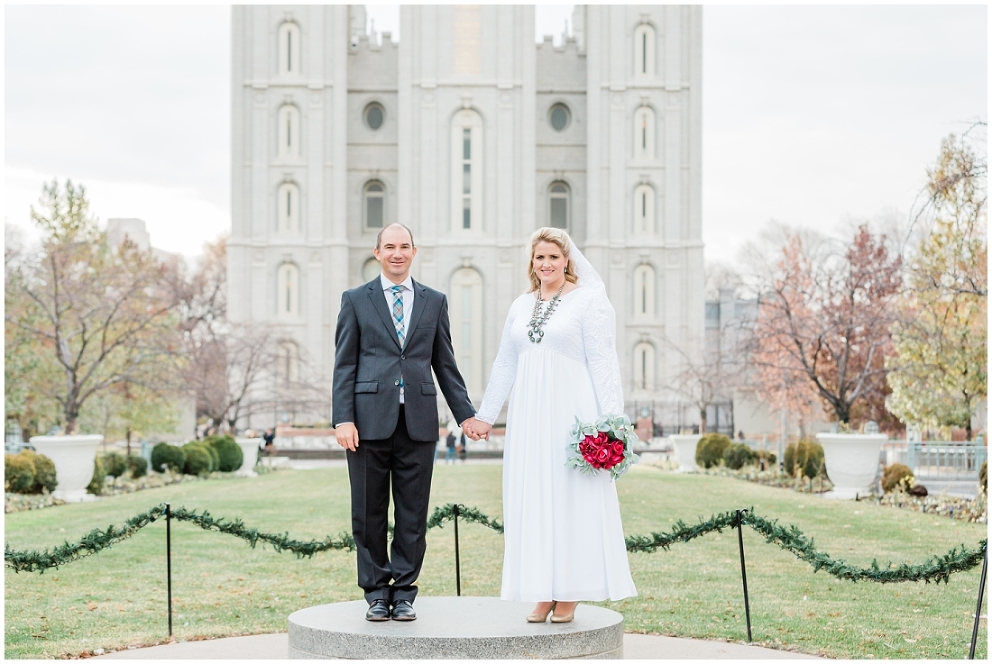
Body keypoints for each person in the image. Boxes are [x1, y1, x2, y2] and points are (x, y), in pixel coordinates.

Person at [464, 227, 636, 624]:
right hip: (529, 417)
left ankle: (570, 592)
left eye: (553, 257)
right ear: (532, 262)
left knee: (570, 498)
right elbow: (506, 362)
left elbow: (604, 364)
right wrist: (486, 414)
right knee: (535, 497)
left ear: (567, 260)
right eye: (539, 257)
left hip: (573, 414)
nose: (546, 264)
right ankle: (542, 590)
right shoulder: (521, 305)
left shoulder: (589, 302)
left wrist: (612, 427)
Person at [333, 223, 476, 623]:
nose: (397, 253)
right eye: (389, 247)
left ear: (415, 251)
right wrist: (343, 418)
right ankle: (377, 592)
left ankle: (405, 593)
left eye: (404, 246)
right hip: (366, 424)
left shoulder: (434, 301)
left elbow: (444, 364)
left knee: (413, 515)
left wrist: (465, 415)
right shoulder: (356, 300)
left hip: (418, 423)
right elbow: (344, 364)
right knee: (368, 512)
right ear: (377, 252)